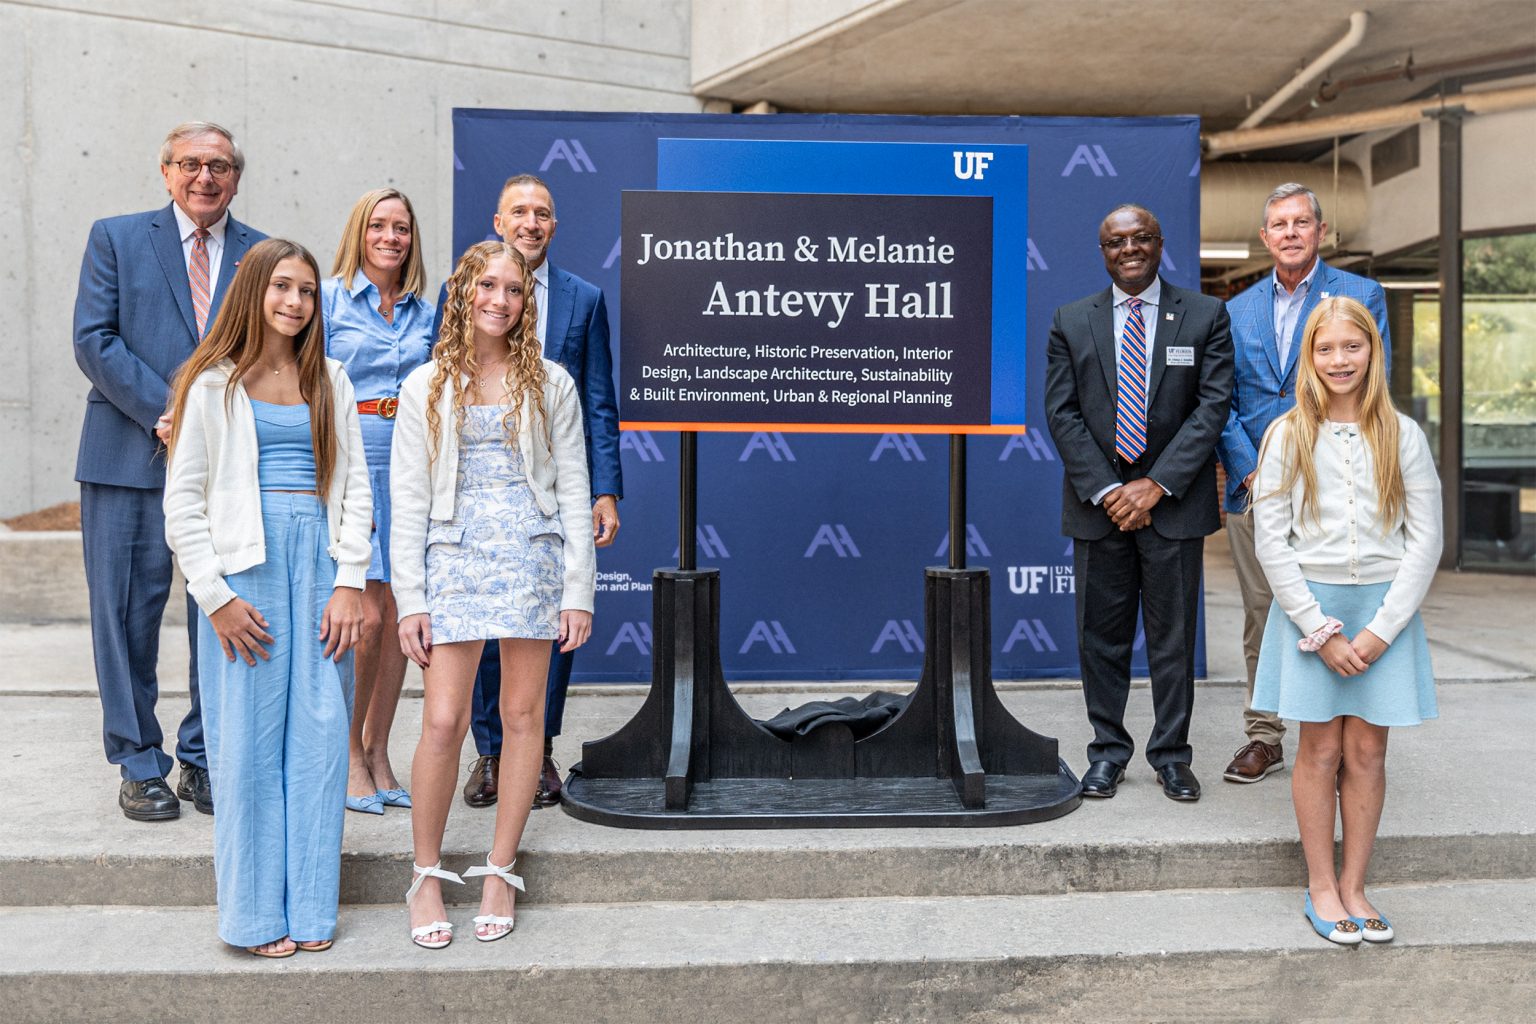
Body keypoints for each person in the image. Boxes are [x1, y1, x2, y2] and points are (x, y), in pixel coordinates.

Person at [163, 238, 372, 957]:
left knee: (319, 744)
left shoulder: (331, 380)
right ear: (253, 290)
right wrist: (214, 597)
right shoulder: (212, 383)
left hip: (319, 568)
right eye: (282, 286)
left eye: (308, 291)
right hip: (243, 575)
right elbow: (183, 503)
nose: (294, 302)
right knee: (248, 749)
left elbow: (355, 491)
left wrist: (350, 581)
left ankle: (312, 910)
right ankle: (253, 917)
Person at [394, 241, 596, 948]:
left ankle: (499, 871)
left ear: (526, 301)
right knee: (444, 721)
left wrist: (580, 591)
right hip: (452, 558)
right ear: (463, 292)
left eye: (514, 289)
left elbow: (573, 490)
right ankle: (423, 875)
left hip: (531, 557)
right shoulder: (425, 385)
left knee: (521, 717)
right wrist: (410, 599)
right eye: (488, 285)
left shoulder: (553, 383)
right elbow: (408, 498)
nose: (500, 300)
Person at [73, 121, 266, 821]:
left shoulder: (261, 254)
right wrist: (171, 410)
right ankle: (138, 762)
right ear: (166, 172)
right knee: (125, 615)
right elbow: (94, 338)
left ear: (236, 177)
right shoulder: (116, 238)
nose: (205, 177)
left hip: (227, 469)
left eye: (219, 165)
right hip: (129, 455)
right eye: (190, 164)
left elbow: (275, 348)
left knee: (220, 611)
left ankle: (203, 756)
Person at [1249, 296, 1440, 944]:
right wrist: (1321, 629)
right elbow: (1271, 541)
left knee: (1367, 750)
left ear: (1372, 351)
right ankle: (1321, 886)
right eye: (1325, 348)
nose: (1339, 360)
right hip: (1314, 611)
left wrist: (1381, 631)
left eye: (1351, 347)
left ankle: (1357, 883)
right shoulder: (1286, 434)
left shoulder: (1403, 435)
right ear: (1309, 356)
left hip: (1384, 612)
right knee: (1320, 749)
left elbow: (1425, 540)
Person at [431, 174, 621, 810]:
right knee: (483, 631)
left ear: (554, 227)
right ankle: (491, 754)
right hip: (476, 496)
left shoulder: (584, 299)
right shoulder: (462, 290)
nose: (531, 223)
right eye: (519, 211)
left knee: (547, 627)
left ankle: (536, 751)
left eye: (542, 214)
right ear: (498, 219)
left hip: (548, 490)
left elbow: (598, 402)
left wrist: (604, 490)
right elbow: (438, 389)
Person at [1044, 203, 1234, 803]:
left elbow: (1212, 408)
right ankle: (1107, 752)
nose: (1129, 248)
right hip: (1098, 508)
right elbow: (1062, 413)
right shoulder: (1071, 321)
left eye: (1140, 238)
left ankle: (1172, 756)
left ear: (1158, 243)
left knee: (1172, 638)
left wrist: (1155, 485)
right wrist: (1110, 490)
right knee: (1100, 638)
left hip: (1173, 505)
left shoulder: (1205, 315)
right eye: (1115, 241)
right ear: (1103, 251)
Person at [1217, 183, 1393, 786]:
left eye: (1300, 222)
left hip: (1335, 487)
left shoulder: (1360, 295)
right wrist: (1253, 469)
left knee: (1339, 605)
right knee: (1264, 613)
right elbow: (1222, 402)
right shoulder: (1234, 311)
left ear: (1320, 232)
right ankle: (1264, 736)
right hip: (1254, 487)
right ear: (1264, 238)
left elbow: (1372, 388)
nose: (1290, 232)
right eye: (1278, 224)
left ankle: (1341, 733)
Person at [323, 188, 435, 815]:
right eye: (379, 226)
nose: (391, 237)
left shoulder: (424, 312)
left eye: (401, 227)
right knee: (363, 617)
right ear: (358, 232)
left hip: (411, 464)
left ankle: (380, 749)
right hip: (355, 459)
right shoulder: (332, 302)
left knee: (398, 617)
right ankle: (346, 754)